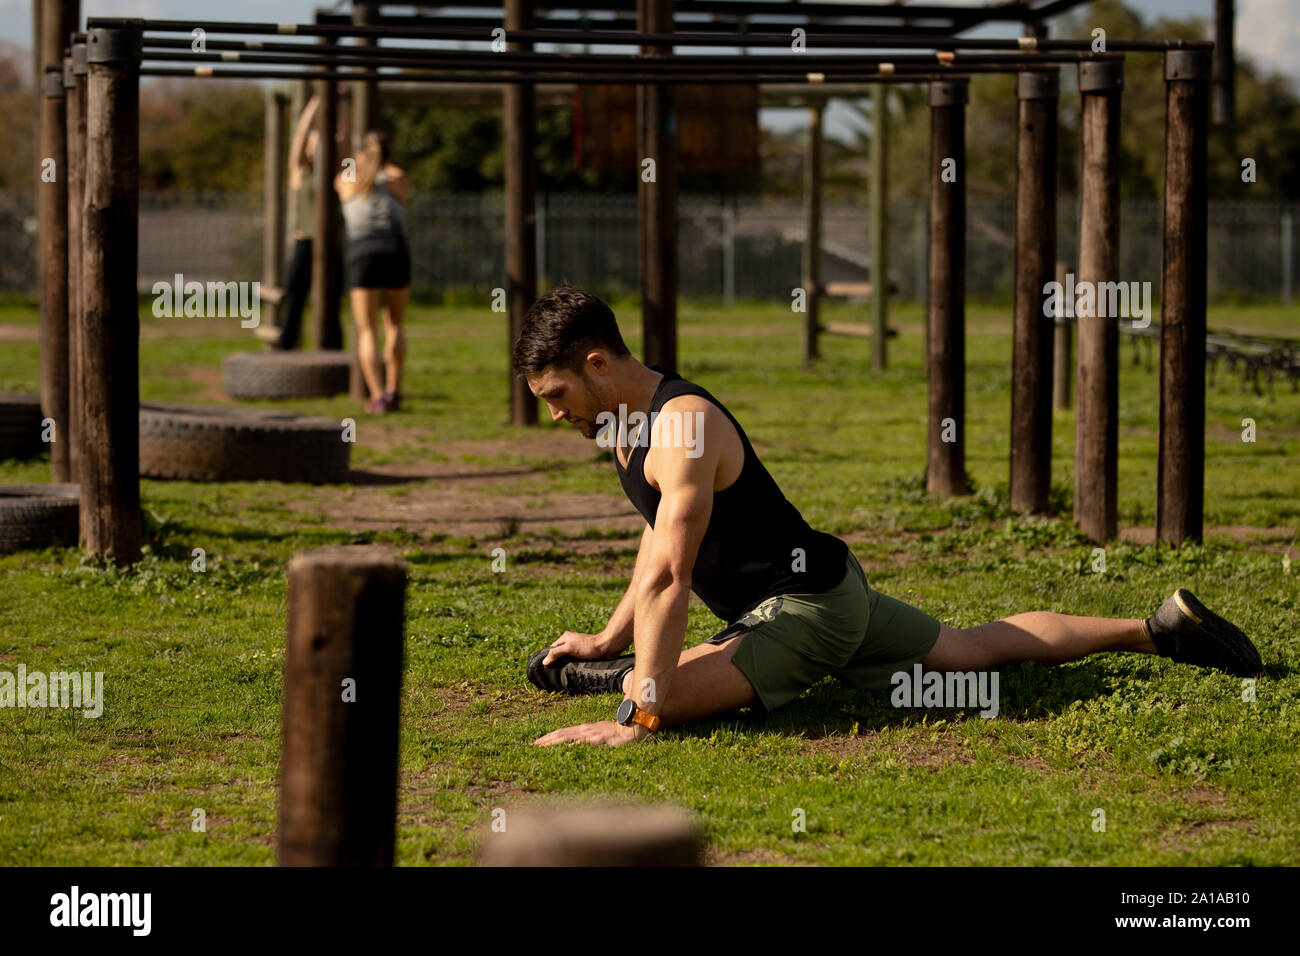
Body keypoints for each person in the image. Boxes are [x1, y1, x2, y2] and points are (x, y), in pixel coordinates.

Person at [512, 286, 1263, 747]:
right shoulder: (623, 425)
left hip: (800, 610)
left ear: (599, 365)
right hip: (832, 590)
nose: (553, 414)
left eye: (556, 395)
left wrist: (637, 715)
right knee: (970, 654)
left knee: (661, 699)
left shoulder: (681, 426)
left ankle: (637, 685)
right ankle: (1157, 630)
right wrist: (608, 635)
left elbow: (674, 576)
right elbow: (656, 544)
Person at [335, 130, 411, 414]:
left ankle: (377, 396)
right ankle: (393, 391)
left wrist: (360, 160)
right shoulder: (397, 181)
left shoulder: (349, 181)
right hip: (395, 249)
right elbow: (403, 183)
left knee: (367, 329)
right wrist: (383, 162)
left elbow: (341, 180)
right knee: (395, 324)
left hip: (362, 252)